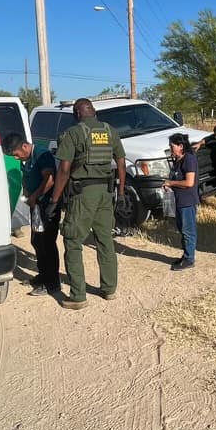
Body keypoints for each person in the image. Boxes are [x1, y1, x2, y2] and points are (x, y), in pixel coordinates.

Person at [45, 99, 127, 310]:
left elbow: (64, 169)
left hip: (83, 194)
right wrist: (121, 192)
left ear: (77, 113)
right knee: (105, 240)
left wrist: (54, 200)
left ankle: (78, 296)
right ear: (93, 111)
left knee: (72, 240)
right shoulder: (110, 131)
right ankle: (109, 289)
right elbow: (121, 162)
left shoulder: (73, 133)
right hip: (106, 193)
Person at [2, 133, 60, 297]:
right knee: (36, 241)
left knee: (47, 244)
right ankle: (42, 276)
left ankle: (52, 283)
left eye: (16, 154)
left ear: (25, 146)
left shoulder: (42, 155)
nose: (15, 158)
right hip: (36, 207)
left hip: (47, 207)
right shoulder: (26, 159)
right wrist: (28, 196)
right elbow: (26, 179)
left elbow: (49, 180)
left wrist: (34, 197)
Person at [163, 133, 199, 271]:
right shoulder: (178, 160)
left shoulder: (189, 160)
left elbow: (189, 182)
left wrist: (171, 183)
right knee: (182, 229)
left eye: (172, 146)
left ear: (181, 146)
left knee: (188, 230)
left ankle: (189, 258)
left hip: (187, 201)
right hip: (178, 200)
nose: (170, 148)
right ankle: (186, 255)